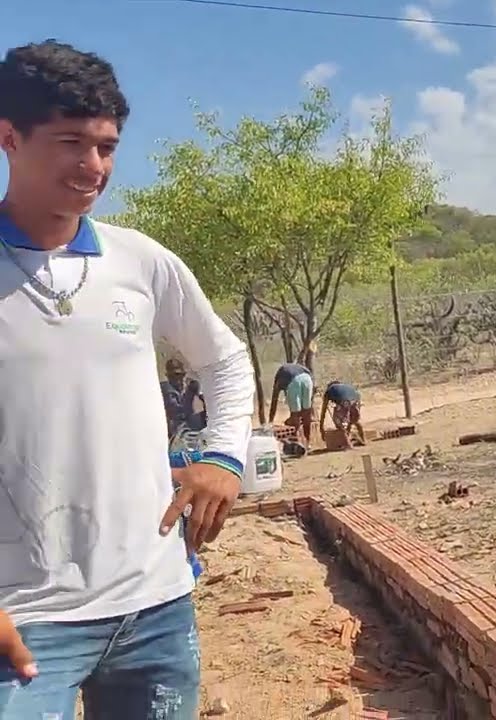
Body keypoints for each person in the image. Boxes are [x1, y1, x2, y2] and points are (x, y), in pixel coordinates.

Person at [0, 40, 254, 719]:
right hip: (23, 622)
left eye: (107, 147)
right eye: (71, 142)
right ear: (9, 137)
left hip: (156, 608)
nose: (93, 167)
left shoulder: (139, 260)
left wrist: (224, 456)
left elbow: (224, 359)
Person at [268, 361, 314, 448]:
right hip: (308, 379)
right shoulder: (296, 367)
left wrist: (270, 422)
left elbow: (274, 401)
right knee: (307, 412)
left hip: (294, 382)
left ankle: (296, 442)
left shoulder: (279, 379)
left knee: (295, 414)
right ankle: (308, 442)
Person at [159, 357, 204, 439]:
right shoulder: (164, 388)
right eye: (173, 376)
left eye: (179, 375)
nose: (177, 379)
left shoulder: (190, 386)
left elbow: (206, 401)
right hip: (174, 426)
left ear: (183, 375)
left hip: (190, 423)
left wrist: (197, 391)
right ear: (168, 376)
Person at [319, 380, 367, 450]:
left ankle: (348, 444)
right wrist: (349, 427)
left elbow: (324, 410)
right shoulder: (345, 387)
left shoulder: (329, 391)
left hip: (344, 401)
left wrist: (321, 427)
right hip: (356, 399)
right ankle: (364, 440)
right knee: (355, 420)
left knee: (339, 423)